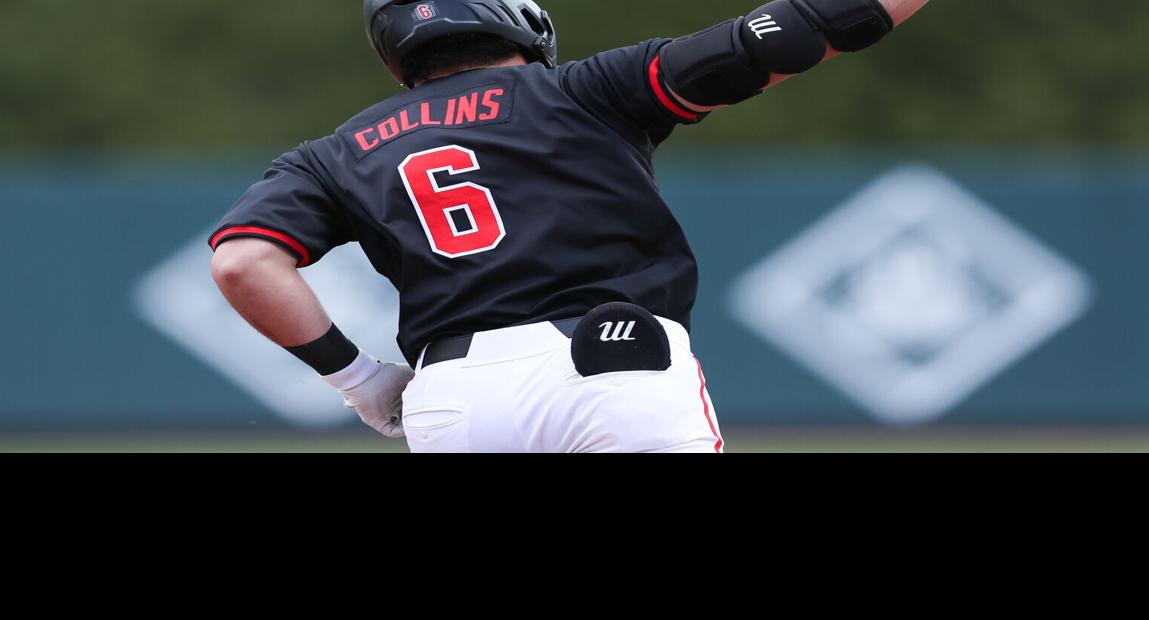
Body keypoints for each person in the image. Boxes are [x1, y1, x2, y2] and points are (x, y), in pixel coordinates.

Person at [209, 0, 928, 452]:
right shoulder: (583, 90)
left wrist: (360, 380)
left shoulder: (334, 152)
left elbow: (242, 263)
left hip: (451, 401)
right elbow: (794, 33)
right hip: (606, 360)